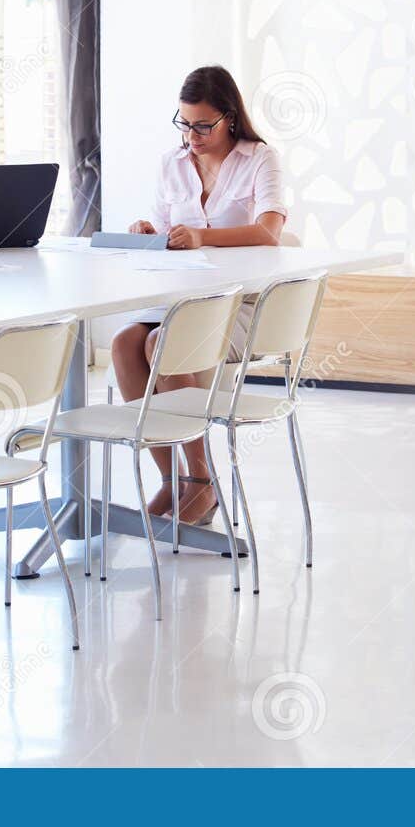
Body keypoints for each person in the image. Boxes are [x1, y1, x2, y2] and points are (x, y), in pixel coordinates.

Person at [111, 65, 288, 525]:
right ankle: (171, 480)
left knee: (161, 343)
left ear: (229, 117)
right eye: (184, 124)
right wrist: (148, 232)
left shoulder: (260, 159)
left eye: (203, 125)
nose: (192, 136)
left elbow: (269, 232)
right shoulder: (171, 163)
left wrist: (202, 237)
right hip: (182, 298)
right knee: (125, 342)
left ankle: (202, 481)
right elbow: (167, 231)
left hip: (239, 303)